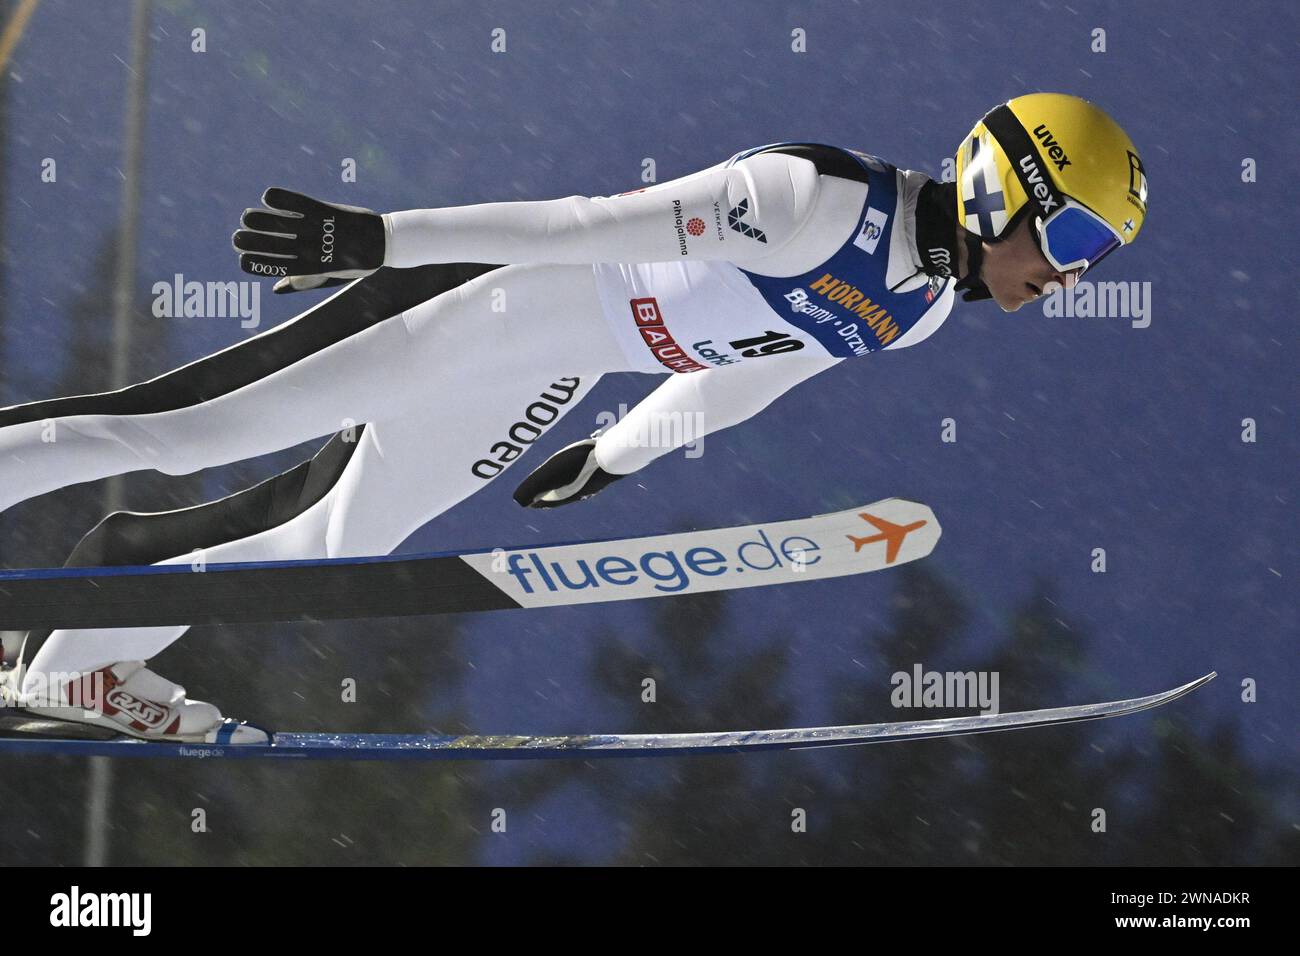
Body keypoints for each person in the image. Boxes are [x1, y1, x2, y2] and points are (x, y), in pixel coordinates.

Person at [1, 92, 1148, 743]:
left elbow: (756, 370)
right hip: (471, 298)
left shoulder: (918, 310)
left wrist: (613, 451)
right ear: (1008, 190)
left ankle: (76, 658)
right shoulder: (817, 200)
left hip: (540, 373)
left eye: (1095, 261)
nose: (1069, 278)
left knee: (334, 539)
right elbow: (588, 224)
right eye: (1077, 244)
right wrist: (385, 240)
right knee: (185, 425)